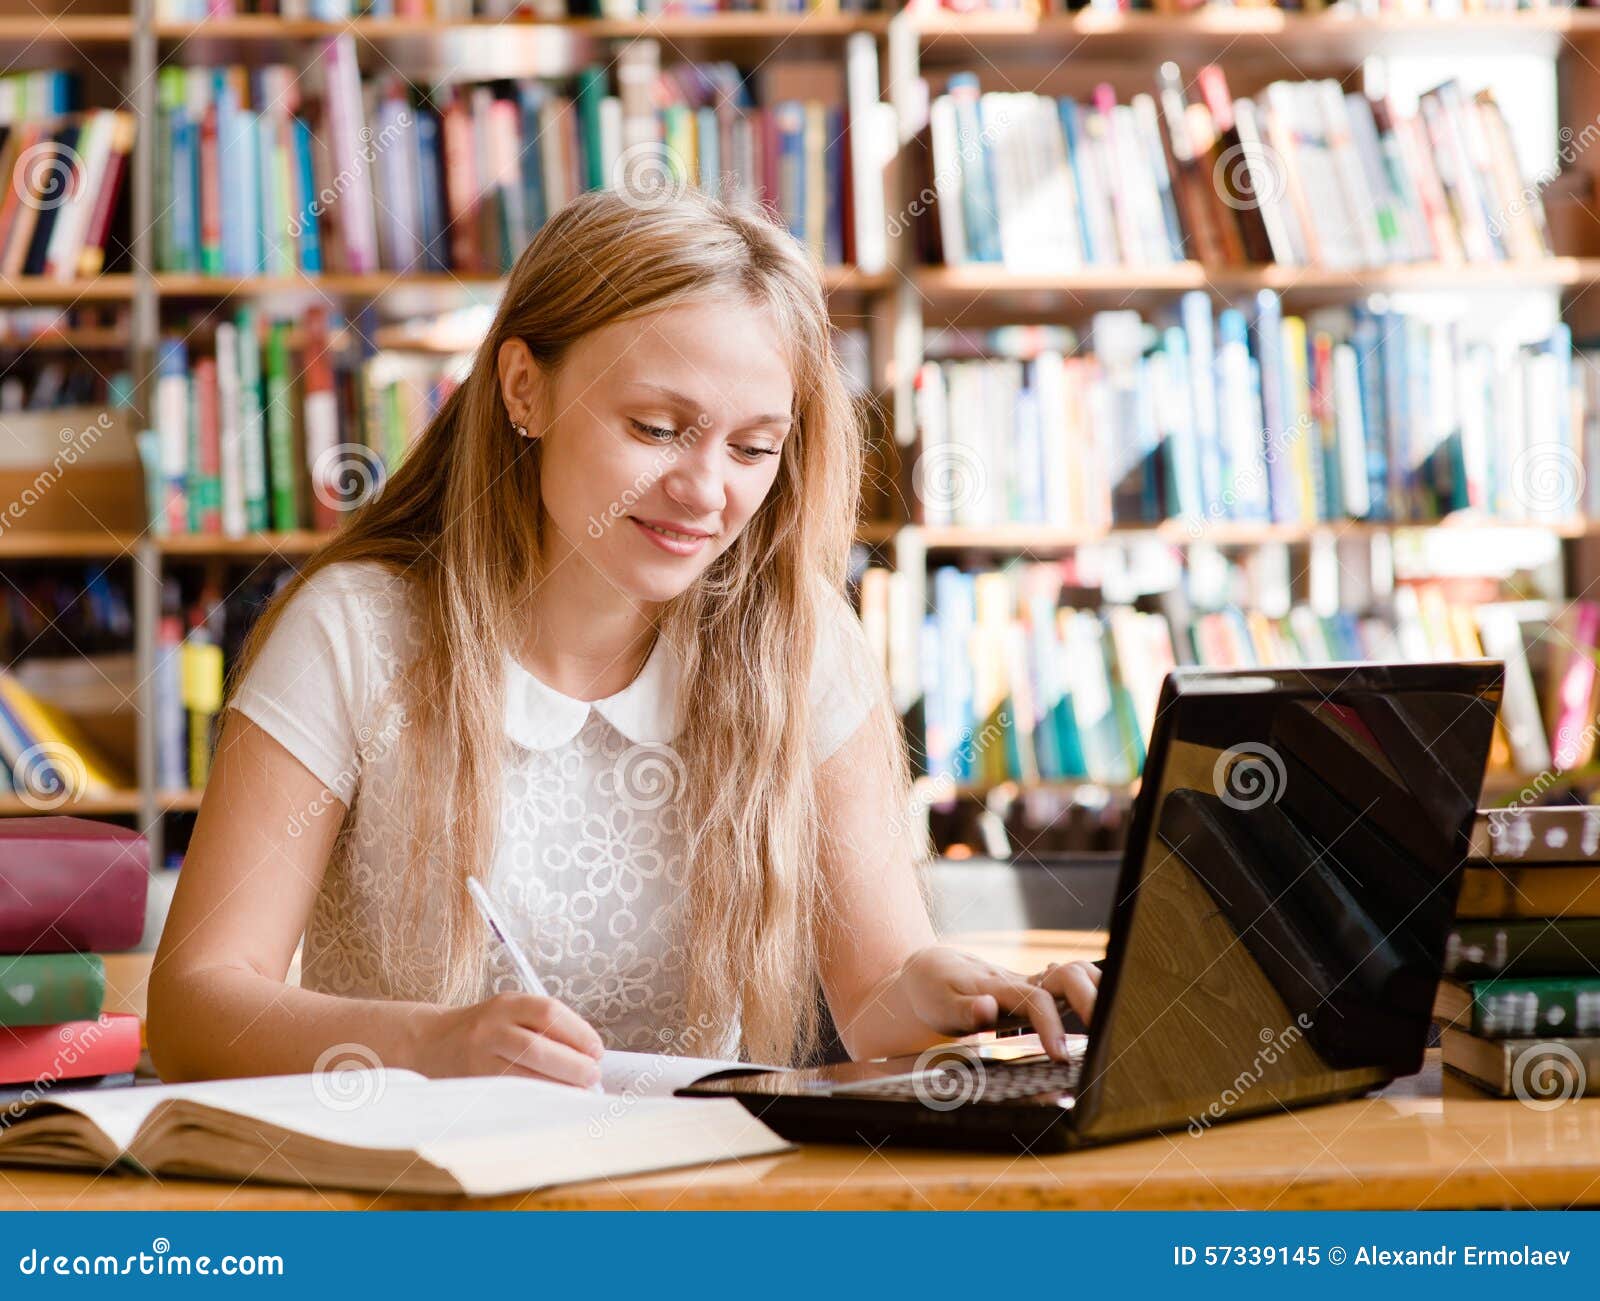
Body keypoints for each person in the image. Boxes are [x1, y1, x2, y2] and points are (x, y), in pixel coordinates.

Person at [146, 186, 1100, 1089]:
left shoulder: (799, 640)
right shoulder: (355, 632)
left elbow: (878, 995)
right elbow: (192, 1009)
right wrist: (429, 1044)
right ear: (524, 388)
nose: (707, 489)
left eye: (755, 446)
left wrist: (974, 1004)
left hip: (694, 1195)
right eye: (656, 427)